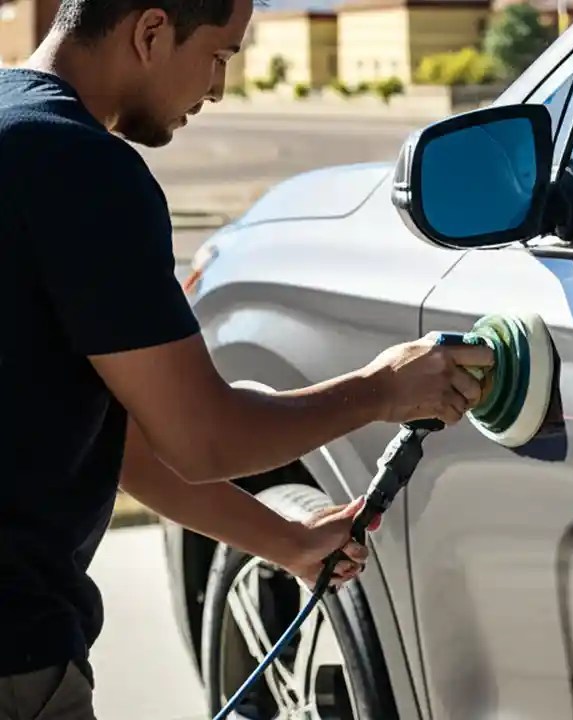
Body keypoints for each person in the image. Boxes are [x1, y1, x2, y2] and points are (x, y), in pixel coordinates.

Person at [0, 0, 492, 716]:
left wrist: (286, 541)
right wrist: (385, 388)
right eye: (221, 56)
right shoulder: (78, 167)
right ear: (150, 31)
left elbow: (123, 441)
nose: (217, 90)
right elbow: (204, 439)